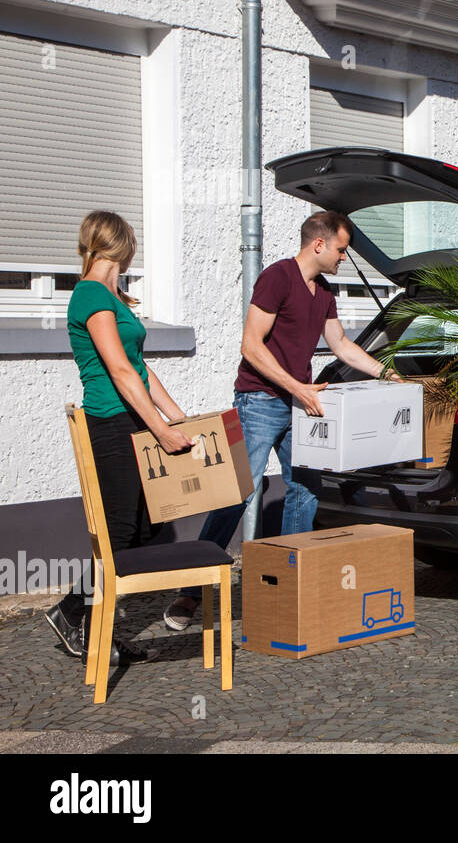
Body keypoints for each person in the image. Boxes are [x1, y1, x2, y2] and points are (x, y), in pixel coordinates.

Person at [163, 211, 401, 630]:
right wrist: (297, 387)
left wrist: (387, 373)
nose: (344, 258)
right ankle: (189, 590)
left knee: (306, 489)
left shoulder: (324, 292)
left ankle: (291, 584)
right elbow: (251, 346)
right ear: (319, 244)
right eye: (342, 249)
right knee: (238, 492)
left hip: (300, 403)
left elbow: (341, 345)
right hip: (260, 400)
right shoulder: (277, 277)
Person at [45, 211, 194, 665]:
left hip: (134, 421)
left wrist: (178, 417)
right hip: (111, 423)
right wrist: (161, 430)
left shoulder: (115, 297)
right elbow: (120, 371)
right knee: (120, 531)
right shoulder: (90, 295)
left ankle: (85, 619)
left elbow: (142, 368)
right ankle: (84, 624)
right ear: (119, 245)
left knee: (145, 525)